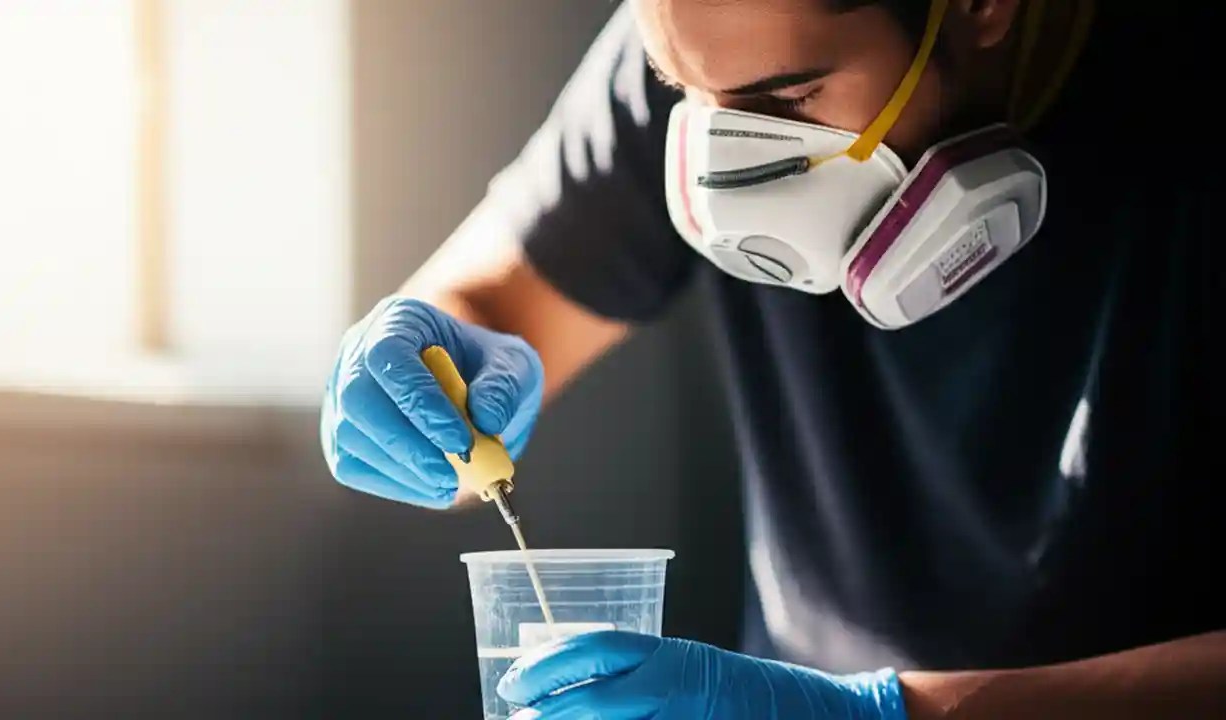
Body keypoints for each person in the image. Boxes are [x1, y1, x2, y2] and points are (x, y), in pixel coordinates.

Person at [320, 0, 1224, 717]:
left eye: (789, 105)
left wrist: (889, 717)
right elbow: (486, 303)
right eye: (686, 92)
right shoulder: (711, 44)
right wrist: (430, 377)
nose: (726, 172)